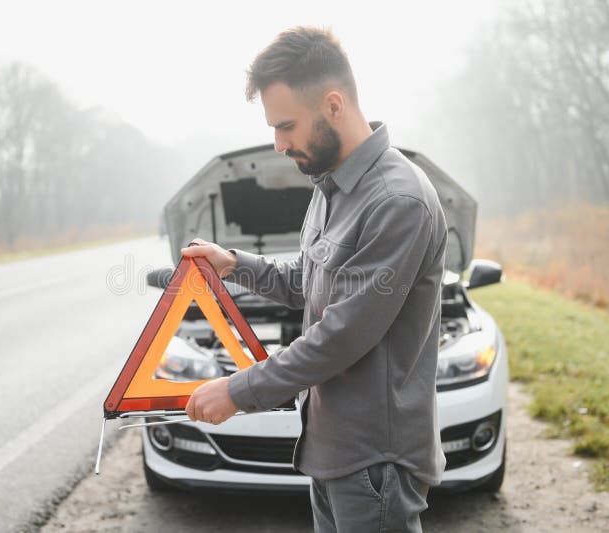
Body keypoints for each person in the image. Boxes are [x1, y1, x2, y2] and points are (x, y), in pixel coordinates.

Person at [182, 26, 447, 532]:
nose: (279, 144)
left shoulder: (397, 200)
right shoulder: (330, 185)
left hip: (375, 460)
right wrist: (234, 263)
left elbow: (340, 336)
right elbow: (308, 282)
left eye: (286, 126)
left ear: (332, 104)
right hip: (332, 448)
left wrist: (238, 390)